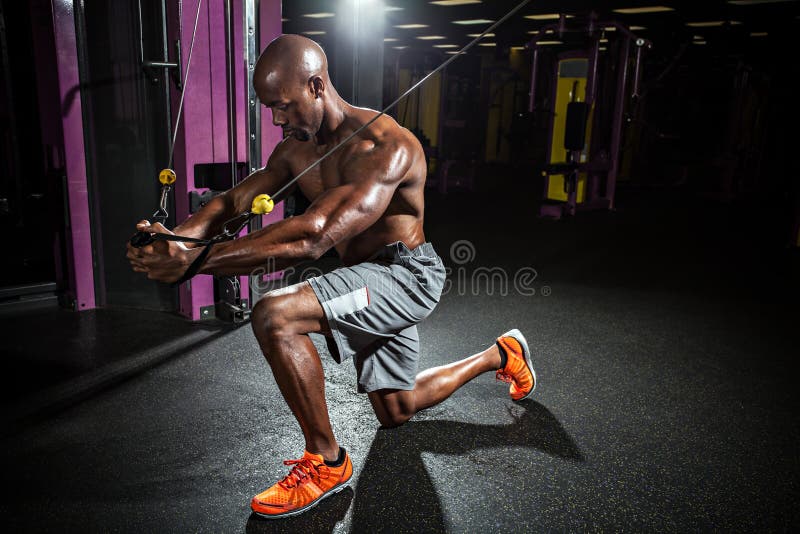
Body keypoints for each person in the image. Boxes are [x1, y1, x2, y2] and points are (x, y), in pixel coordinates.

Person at [127, 34, 536, 519]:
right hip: (363, 277)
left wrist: (195, 262)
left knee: (275, 314)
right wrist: (179, 240)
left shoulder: (386, 146)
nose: (277, 120)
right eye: (270, 109)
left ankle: (326, 461)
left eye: (284, 107)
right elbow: (231, 202)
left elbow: (315, 236)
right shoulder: (296, 150)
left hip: (405, 275)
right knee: (396, 410)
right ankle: (500, 354)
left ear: (317, 86)